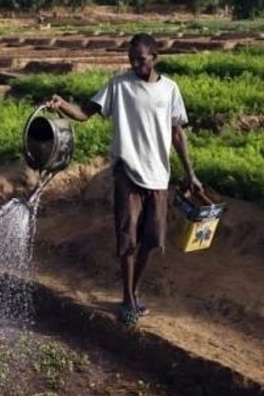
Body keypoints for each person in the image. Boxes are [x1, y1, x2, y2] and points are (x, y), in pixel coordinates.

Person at [46, 33, 203, 325]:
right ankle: (128, 297)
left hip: (158, 175)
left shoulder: (170, 90)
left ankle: (135, 290)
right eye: (131, 59)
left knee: (151, 240)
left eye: (140, 59)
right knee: (128, 238)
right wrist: (62, 104)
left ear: (154, 57)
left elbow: (177, 133)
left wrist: (190, 173)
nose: (135, 64)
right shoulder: (119, 85)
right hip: (127, 172)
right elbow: (84, 113)